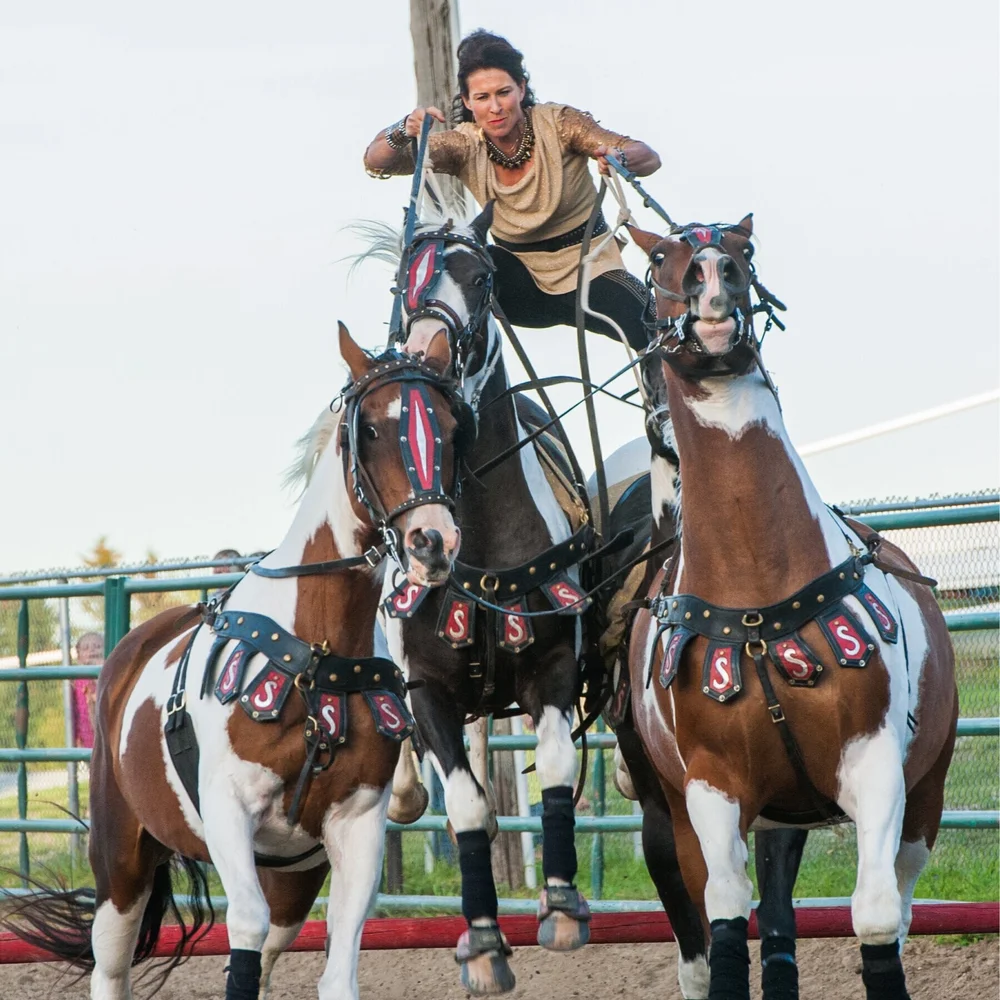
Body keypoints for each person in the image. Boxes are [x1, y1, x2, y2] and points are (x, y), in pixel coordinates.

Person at [363, 30, 662, 351]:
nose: (495, 107)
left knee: (662, 331)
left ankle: (664, 398)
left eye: (503, 92)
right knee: (454, 267)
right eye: (482, 98)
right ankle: (437, 375)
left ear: (521, 88)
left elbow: (648, 156)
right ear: (467, 102)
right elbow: (377, 162)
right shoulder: (465, 143)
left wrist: (620, 157)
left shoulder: (559, 123)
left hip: (592, 270)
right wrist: (403, 128)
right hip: (520, 282)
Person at [72, 632, 103, 750]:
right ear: (79, 657)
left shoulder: (108, 675)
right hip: (87, 740)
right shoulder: (77, 681)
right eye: (85, 648)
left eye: (98, 647)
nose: (92, 650)